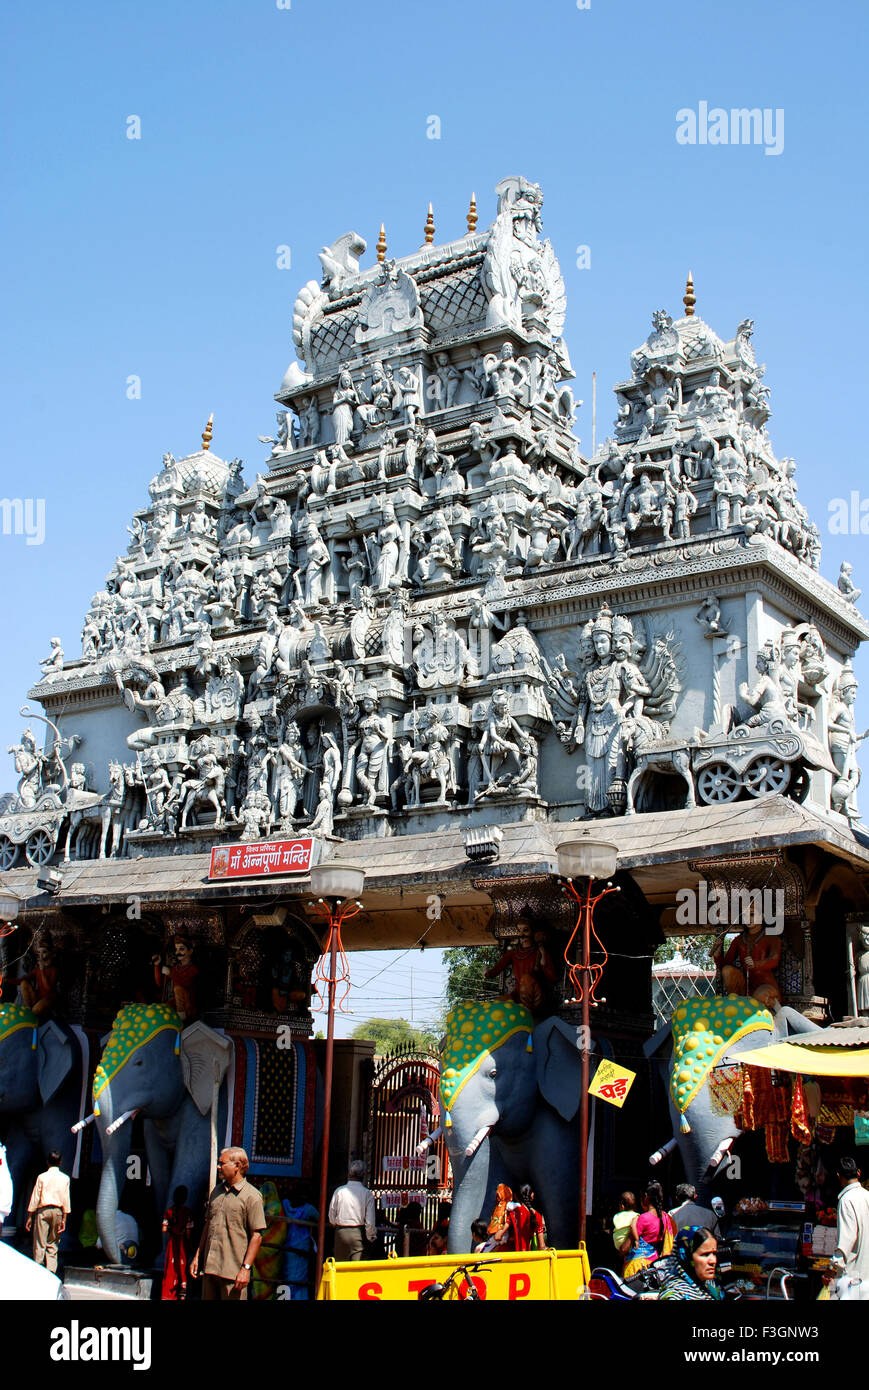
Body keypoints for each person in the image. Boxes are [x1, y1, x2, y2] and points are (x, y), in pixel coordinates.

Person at [190, 1147, 266, 1301]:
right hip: (210, 1268)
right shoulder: (216, 1192)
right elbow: (208, 1224)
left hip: (233, 1273)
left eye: (222, 1163)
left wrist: (245, 1269)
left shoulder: (252, 1197)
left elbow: (256, 1236)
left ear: (237, 1166)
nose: (218, 1167)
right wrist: (198, 1256)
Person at [829, 1155, 869, 1300]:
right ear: (858, 1173)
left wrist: (832, 1268)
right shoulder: (867, 1196)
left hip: (853, 1280)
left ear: (839, 1176)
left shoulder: (846, 1200)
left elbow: (847, 1239)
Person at [26, 1149, 70, 1274]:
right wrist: (64, 1219)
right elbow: (66, 1199)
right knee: (53, 1243)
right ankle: (51, 1272)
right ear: (61, 1162)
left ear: (47, 1162)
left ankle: (39, 1271)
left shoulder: (42, 1177)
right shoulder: (65, 1178)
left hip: (43, 1211)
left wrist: (30, 1216)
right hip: (57, 1212)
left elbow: (35, 1197)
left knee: (40, 1243)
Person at [623, 1181, 675, 1279]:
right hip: (654, 1266)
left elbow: (624, 1248)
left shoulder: (643, 1218)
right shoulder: (665, 1218)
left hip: (637, 1267)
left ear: (645, 1196)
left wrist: (632, 1226)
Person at [657, 1226, 723, 1301]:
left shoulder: (711, 1288)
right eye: (705, 1255)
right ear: (687, 1256)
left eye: (714, 1253)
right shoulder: (675, 1295)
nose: (713, 1261)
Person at [328, 1160, 376, 1261]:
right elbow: (370, 1222)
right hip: (358, 1235)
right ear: (363, 1175)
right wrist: (371, 1236)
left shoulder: (339, 1191)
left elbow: (331, 1216)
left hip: (341, 1234)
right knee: (356, 1270)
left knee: (340, 1268)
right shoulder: (367, 1194)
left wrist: (335, 1224)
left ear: (349, 1173)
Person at [161, 1184, 194, 1300]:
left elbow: (164, 1229)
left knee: (170, 1267)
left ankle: (167, 1294)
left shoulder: (169, 1211)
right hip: (182, 1244)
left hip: (172, 1243)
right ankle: (182, 1293)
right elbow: (189, 1231)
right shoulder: (188, 1212)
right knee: (182, 1267)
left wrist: (172, 1230)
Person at [611, 1192, 637, 1264]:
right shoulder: (636, 1216)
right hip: (628, 1245)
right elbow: (633, 1227)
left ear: (622, 1206)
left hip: (618, 1243)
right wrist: (637, 1240)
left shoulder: (617, 1216)